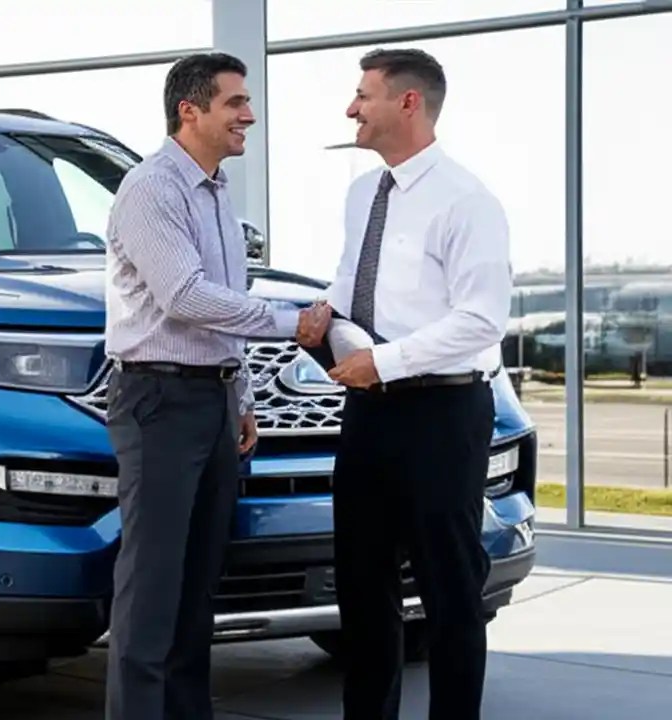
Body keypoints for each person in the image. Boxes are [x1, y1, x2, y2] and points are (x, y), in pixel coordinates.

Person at [295, 48, 512, 720]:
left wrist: (384, 363)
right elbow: (353, 281)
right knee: (362, 588)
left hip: (443, 413)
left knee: (450, 592)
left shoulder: (468, 201)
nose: (351, 108)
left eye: (363, 94)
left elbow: (481, 320)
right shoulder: (364, 193)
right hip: (368, 413)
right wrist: (321, 314)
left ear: (408, 103)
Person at [103, 52, 299, 720]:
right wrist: (292, 324)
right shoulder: (151, 188)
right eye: (235, 103)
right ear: (190, 110)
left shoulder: (216, 193)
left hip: (211, 403)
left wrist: (239, 396)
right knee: (152, 589)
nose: (249, 116)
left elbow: (226, 301)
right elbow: (186, 297)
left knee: (195, 593)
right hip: (158, 402)